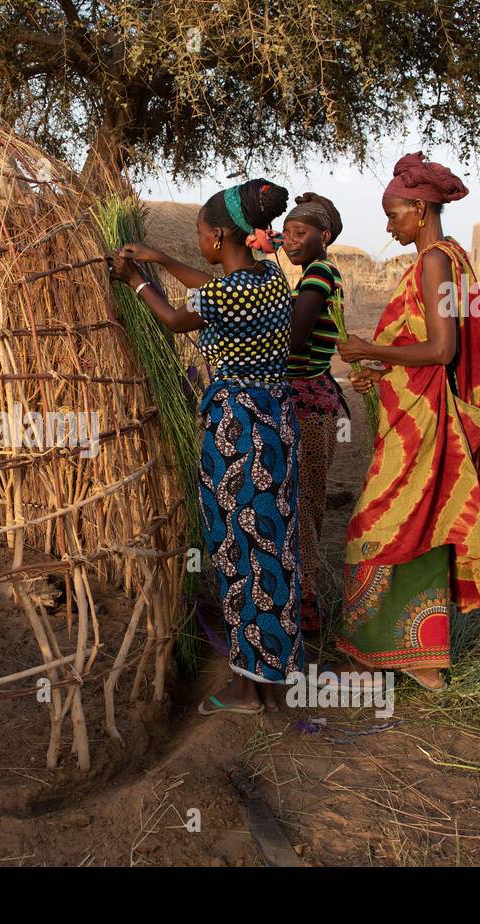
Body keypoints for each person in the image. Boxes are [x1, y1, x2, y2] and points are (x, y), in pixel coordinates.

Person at [110, 178, 301, 713]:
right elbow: (210, 289)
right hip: (275, 424)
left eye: (199, 236)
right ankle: (272, 670)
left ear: (218, 237)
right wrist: (164, 258)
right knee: (273, 548)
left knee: (238, 550)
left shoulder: (228, 293)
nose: (199, 245)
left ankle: (246, 689)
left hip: (238, 432)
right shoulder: (267, 280)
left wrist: (137, 280)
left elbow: (175, 319)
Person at [334, 152, 480, 690]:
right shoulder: (452, 257)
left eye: (393, 214)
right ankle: (421, 655)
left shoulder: (435, 260)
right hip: (422, 407)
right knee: (425, 521)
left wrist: (367, 347)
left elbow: (440, 347)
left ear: (419, 206)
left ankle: (388, 650)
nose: (389, 226)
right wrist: (382, 365)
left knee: (377, 524)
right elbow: (427, 347)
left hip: (427, 417)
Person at [280, 193, 346, 647]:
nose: (289, 241)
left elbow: (296, 340)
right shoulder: (315, 276)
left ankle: (305, 615)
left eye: (299, 233)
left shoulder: (320, 274)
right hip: (314, 401)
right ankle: (301, 606)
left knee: (300, 506)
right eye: (285, 234)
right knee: (304, 503)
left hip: (306, 406)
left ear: (323, 237)